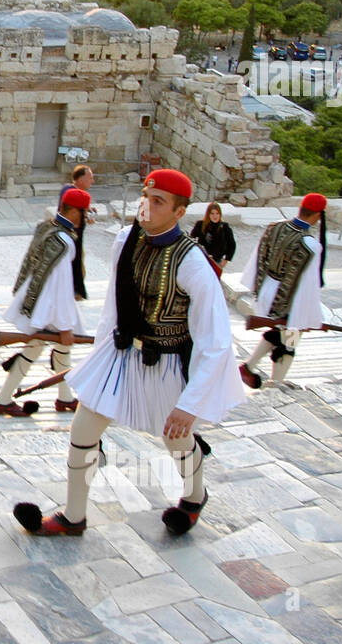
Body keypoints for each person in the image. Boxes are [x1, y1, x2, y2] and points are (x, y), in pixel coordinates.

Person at [14, 170, 244, 538]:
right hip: (121, 354)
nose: (146, 207)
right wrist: (98, 357)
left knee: (176, 438)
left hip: (166, 362)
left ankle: (195, 495)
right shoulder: (126, 239)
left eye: (158, 202)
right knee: (83, 429)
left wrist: (190, 403)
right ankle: (74, 515)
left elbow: (214, 339)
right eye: (146, 197)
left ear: (179, 211)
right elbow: (113, 308)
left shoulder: (193, 264)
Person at [0, 187, 90, 418]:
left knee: (56, 350)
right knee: (38, 349)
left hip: (38, 302)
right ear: (75, 212)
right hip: (47, 306)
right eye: (83, 213)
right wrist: (65, 326)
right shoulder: (64, 241)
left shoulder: (47, 227)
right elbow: (59, 287)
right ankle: (3, 399)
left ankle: (64, 398)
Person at [238, 193, 327, 389]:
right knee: (291, 339)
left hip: (266, 291)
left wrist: (258, 291)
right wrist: (306, 317)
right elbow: (307, 286)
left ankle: (249, 367)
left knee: (278, 333)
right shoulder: (311, 245)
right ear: (317, 216)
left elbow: (257, 259)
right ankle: (275, 381)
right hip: (287, 299)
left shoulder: (275, 226)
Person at [190, 201, 237, 270]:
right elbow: (191, 240)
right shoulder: (200, 225)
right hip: (202, 260)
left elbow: (232, 244)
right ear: (208, 214)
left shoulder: (224, 227)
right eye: (212, 213)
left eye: (217, 213)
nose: (215, 216)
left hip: (217, 261)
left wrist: (226, 260)